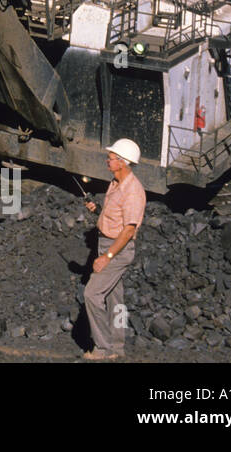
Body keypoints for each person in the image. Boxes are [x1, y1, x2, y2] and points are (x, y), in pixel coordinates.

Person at [81, 138, 145, 359]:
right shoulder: (115, 183)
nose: (107, 160)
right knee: (115, 299)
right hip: (107, 244)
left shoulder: (133, 191)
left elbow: (128, 231)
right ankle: (116, 348)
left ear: (122, 162)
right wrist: (97, 209)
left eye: (110, 158)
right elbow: (116, 216)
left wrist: (107, 257)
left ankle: (102, 347)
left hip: (118, 250)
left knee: (91, 293)